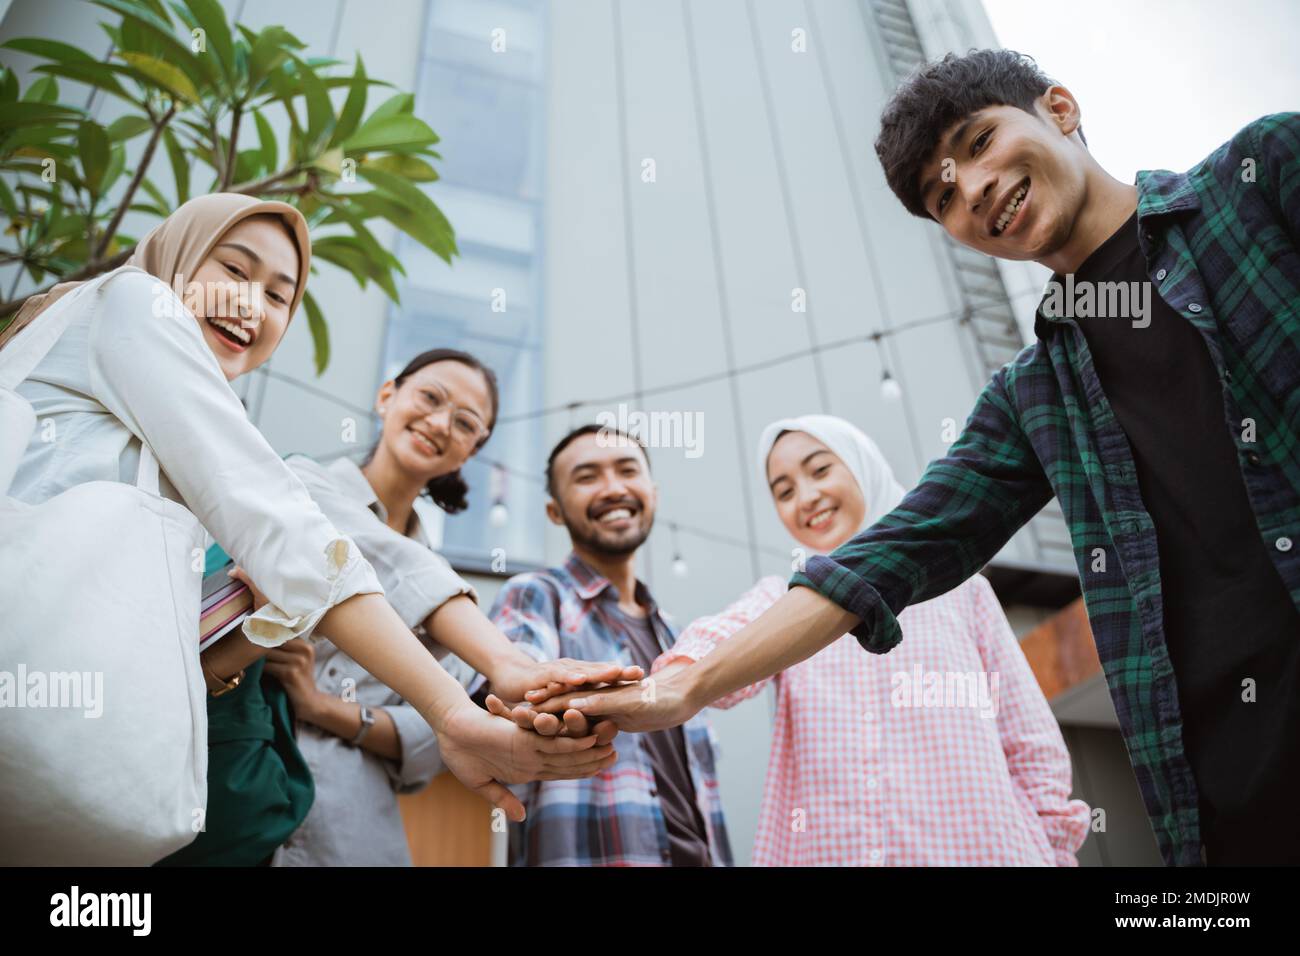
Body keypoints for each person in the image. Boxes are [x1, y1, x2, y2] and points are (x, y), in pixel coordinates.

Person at [521, 53, 1300, 867]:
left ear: (1061, 108)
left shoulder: (1262, 182)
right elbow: (895, 550)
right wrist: (676, 687)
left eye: (981, 140)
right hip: (1224, 800)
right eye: (943, 196)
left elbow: (1031, 752)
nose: (975, 190)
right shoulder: (1034, 397)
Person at [5, 193, 612, 841]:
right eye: (234, 271)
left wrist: (257, 631)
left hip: (316, 812)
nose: (249, 304)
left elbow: (197, 653)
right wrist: (471, 693)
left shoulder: (168, 451)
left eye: (276, 296)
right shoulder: (136, 304)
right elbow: (294, 532)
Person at [648, 415, 1088, 865]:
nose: (807, 497)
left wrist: (1052, 849)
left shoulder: (962, 589)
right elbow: (724, 636)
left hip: (980, 852)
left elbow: (1029, 739)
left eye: (820, 470)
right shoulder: (782, 601)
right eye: (784, 491)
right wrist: (671, 682)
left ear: (863, 465)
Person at [266, 349, 635, 865]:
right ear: (387, 396)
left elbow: (428, 738)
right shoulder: (304, 485)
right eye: (430, 397)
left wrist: (324, 708)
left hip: (353, 827)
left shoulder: (451, 606)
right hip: (249, 783)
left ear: (470, 451)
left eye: (465, 422)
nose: (439, 423)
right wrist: (506, 664)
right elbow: (361, 547)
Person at [484, 424, 732, 866]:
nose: (614, 489)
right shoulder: (536, 595)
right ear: (554, 511)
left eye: (627, 470)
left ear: (652, 492)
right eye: (587, 477)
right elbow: (518, 703)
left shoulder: (675, 635)